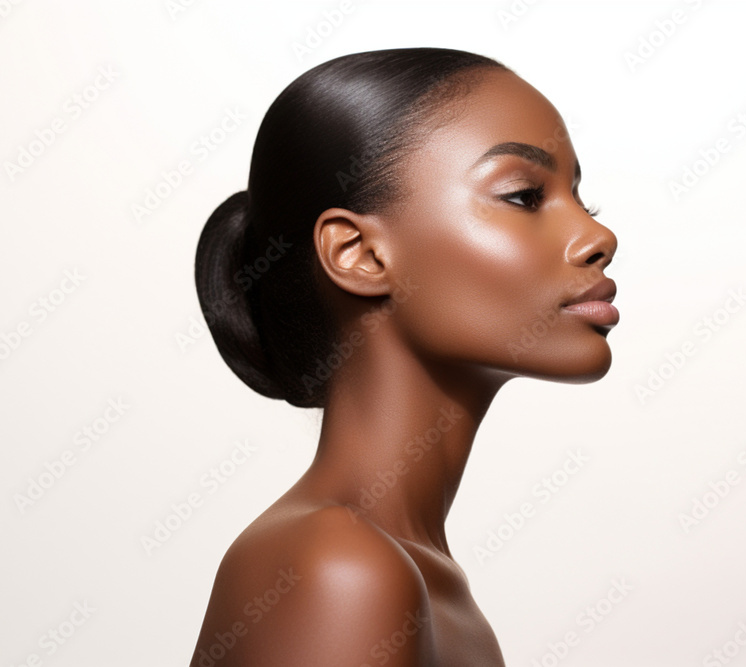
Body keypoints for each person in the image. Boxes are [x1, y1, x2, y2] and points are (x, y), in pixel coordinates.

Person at [190, 46, 618, 666]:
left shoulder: (413, 573)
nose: (598, 237)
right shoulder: (334, 566)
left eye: (582, 200)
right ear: (360, 254)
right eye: (525, 195)